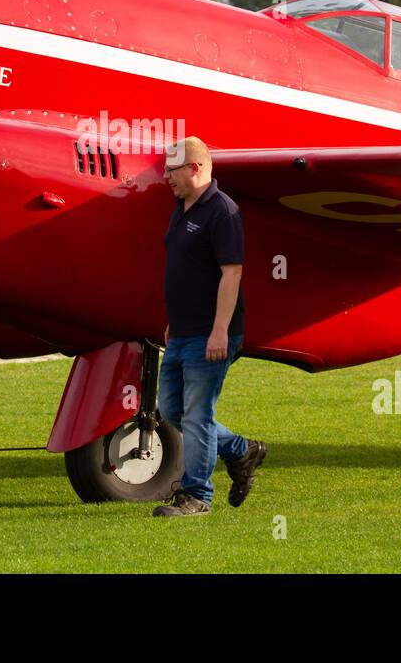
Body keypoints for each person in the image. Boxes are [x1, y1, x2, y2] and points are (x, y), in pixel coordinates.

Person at [154, 136, 267, 517]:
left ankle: (196, 497)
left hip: (211, 333)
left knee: (197, 414)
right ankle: (241, 450)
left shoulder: (223, 211)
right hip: (183, 331)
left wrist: (220, 330)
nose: (166, 176)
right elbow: (186, 269)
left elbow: (231, 273)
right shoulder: (181, 207)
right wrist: (174, 320)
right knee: (172, 411)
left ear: (196, 168)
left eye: (173, 169)